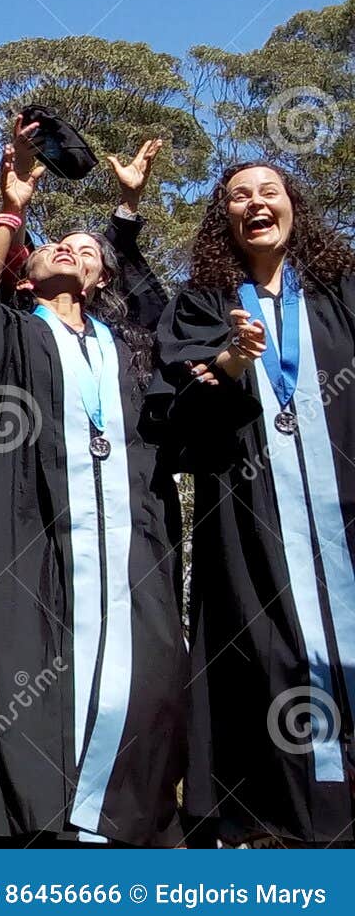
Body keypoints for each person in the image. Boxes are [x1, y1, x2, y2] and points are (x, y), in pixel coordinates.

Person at [0, 119, 185, 846]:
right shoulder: (12, 331)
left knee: (150, 670)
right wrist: (12, 211)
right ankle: (35, 820)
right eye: (56, 245)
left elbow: (171, 328)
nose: (74, 249)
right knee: (28, 667)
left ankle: (128, 817)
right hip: (32, 532)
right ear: (27, 270)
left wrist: (123, 220)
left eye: (88, 252)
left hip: (133, 540)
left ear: (101, 280)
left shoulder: (126, 349)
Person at [156, 161, 355, 846]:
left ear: (293, 206)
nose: (255, 202)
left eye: (269, 191)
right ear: (226, 220)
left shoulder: (339, 291)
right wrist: (234, 362)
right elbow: (177, 414)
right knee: (269, 658)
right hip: (253, 518)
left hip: (346, 511)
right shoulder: (203, 305)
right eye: (239, 196)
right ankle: (286, 831)